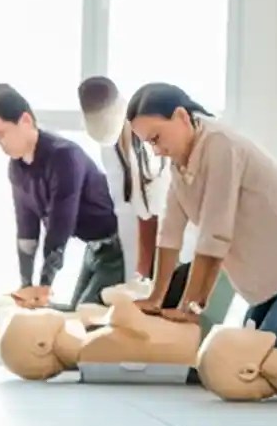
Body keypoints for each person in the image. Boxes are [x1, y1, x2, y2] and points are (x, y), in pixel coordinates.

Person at [126, 83, 277, 349]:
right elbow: (170, 233)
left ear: (181, 116)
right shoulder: (179, 165)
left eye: (156, 138)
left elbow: (215, 233)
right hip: (267, 281)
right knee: (243, 358)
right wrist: (155, 298)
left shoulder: (220, 144)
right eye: (149, 144)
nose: (156, 151)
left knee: (268, 359)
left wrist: (191, 307)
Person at [0, 83, 125, 309]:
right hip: (93, 249)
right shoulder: (17, 168)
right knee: (72, 313)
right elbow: (26, 228)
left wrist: (43, 286)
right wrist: (25, 285)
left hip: (119, 249)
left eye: (2, 135)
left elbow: (61, 222)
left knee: (84, 317)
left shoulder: (64, 156)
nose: (1, 145)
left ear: (25, 120)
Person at [78, 76, 197, 309]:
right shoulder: (111, 147)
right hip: (144, 235)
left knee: (168, 307)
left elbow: (154, 215)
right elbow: (128, 209)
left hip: (179, 240)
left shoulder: (149, 142)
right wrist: (136, 276)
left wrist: (145, 276)